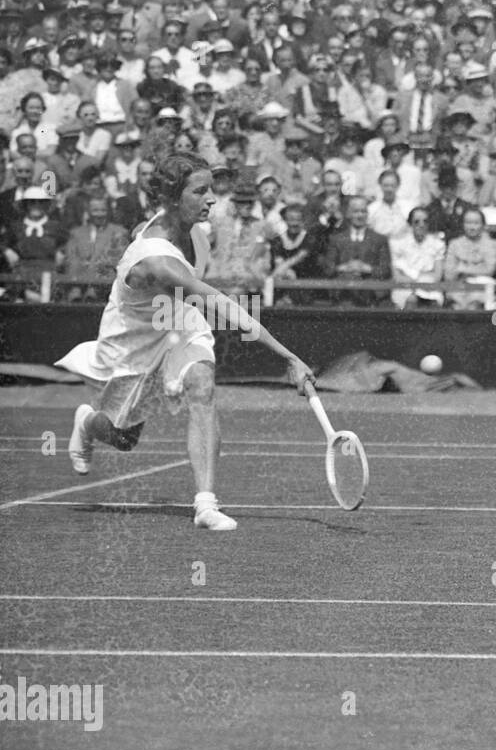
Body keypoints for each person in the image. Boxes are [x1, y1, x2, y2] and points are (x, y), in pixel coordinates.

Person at [55, 151, 314, 531]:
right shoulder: (159, 262)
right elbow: (227, 307)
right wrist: (289, 357)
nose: (212, 198)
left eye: (212, 189)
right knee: (124, 438)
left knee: (202, 387)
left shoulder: (180, 223)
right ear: (174, 197)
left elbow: (146, 231)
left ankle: (206, 505)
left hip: (176, 319)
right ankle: (88, 424)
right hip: (132, 342)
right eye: (201, 191)